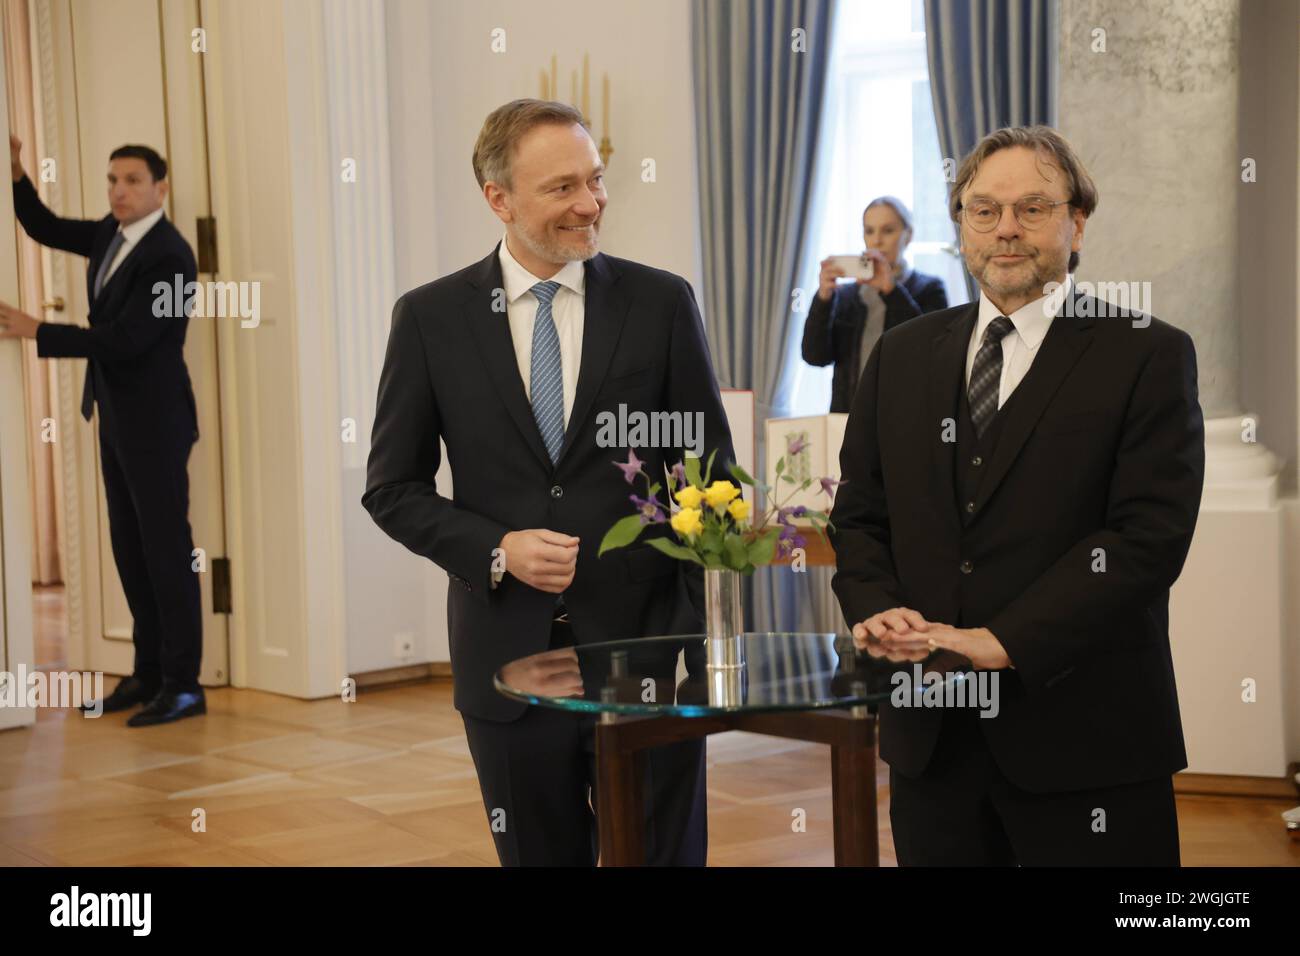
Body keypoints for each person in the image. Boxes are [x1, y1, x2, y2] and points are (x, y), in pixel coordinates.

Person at [362, 99, 734, 866]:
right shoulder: (429, 320)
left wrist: (699, 632)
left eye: (595, 180)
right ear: (498, 198)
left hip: (649, 658)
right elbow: (393, 488)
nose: (590, 204)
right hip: (506, 658)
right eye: (562, 187)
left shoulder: (661, 303)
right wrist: (495, 547)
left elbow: (711, 477)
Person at [829, 125, 1204, 865]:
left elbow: (1145, 539)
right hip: (931, 733)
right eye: (983, 209)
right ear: (960, 224)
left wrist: (1006, 642)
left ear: (1077, 222)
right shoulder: (902, 356)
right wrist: (875, 605)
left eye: (1033, 209)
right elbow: (860, 513)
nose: (1006, 229)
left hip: (1085, 740)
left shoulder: (1147, 353)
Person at [1, 135, 204, 727]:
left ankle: (184, 685)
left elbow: (129, 341)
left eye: (132, 180)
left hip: (159, 423)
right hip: (116, 419)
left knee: (167, 554)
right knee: (130, 551)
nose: (119, 190)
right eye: (113, 179)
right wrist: (16, 173)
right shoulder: (109, 235)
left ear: (160, 189)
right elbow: (42, 226)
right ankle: (145, 676)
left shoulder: (171, 255)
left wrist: (36, 329)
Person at [802, 196, 948, 412]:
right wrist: (823, 298)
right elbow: (815, 356)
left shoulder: (929, 289)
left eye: (888, 230)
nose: (877, 240)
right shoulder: (847, 295)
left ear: (908, 236)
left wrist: (891, 291)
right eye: (869, 231)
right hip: (848, 419)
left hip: (907, 418)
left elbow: (931, 353)